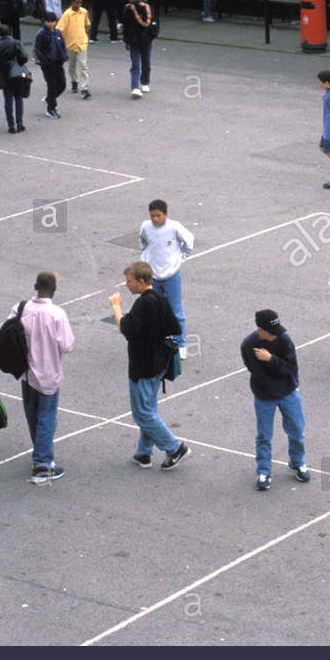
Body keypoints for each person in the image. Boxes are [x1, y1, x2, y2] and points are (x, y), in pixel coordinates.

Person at [109, 261, 189, 471]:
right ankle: (144, 453)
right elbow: (174, 326)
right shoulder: (161, 299)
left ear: (141, 281)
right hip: (160, 362)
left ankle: (174, 448)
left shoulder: (143, 304)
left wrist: (116, 307)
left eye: (129, 281)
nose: (127, 285)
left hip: (143, 365)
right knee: (149, 408)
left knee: (142, 413)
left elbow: (125, 328)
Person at [15, 271, 75, 484]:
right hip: (49, 374)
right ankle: (42, 464)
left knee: (33, 415)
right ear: (54, 289)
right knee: (47, 418)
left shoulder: (20, 309)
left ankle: (40, 452)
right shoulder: (57, 314)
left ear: (35, 286)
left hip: (27, 373)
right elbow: (67, 345)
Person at [240, 309, 309, 491]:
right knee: (264, 435)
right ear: (260, 330)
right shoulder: (248, 345)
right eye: (272, 332)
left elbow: (291, 368)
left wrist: (271, 359)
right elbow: (255, 371)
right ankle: (263, 471)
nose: (276, 335)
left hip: (288, 392)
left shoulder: (284, 339)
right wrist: (273, 369)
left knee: (297, 429)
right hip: (264, 395)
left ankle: (297, 463)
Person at [138, 199, 195, 356]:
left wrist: (179, 259)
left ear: (166, 214)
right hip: (152, 277)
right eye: (152, 216)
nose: (155, 219)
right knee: (152, 311)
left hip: (171, 276)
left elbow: (189, 243)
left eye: (158, 215)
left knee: (175, 311)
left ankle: (180, 344)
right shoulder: (145, 227)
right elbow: (142, 242)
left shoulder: (174, 227)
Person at [0, 24, 30, 134]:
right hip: (17, 73)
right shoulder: (16, 43)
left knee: (8, 100)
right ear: (10, 32)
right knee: (19, 98)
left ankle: (11, 125)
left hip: (4, 75)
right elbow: (25, 56)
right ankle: (20, 123)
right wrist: (19, 63)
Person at [121, 0, 155, 98]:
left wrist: (135, 12)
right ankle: (135, 87)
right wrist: (126, 41)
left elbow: (146, 23)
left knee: (146, 62)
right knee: (135, 64)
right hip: (133, 40)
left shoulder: (146, 7)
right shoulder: (127, 8)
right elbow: (126, 26)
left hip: (145, 40)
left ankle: (145, 82)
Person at [34, 14, 68, 119]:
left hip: (58, 62)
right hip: (48, 64)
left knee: (62, 84)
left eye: (52, 21)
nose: (50, 24)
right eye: (48, 21)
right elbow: (37, 49)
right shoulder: (41, 34)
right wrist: (45, 61)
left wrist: (64, 56)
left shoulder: (57, 33)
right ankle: (51, 108)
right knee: (52, 85)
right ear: (45, 22)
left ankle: (50, 98)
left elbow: (62, 45)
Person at [58, 0, 91, 100]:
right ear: (72, 2)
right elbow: (60, 29)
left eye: (80, 2)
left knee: (83, 65)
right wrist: (61, 43)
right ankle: (74, 81)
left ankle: (84, 88)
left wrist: (86, 35)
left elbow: (87, 24)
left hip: (82, 42)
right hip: (71, 43)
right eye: (76, 2)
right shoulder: (67, 14)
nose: (78, 5)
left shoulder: (84, 12)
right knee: (72, 65)